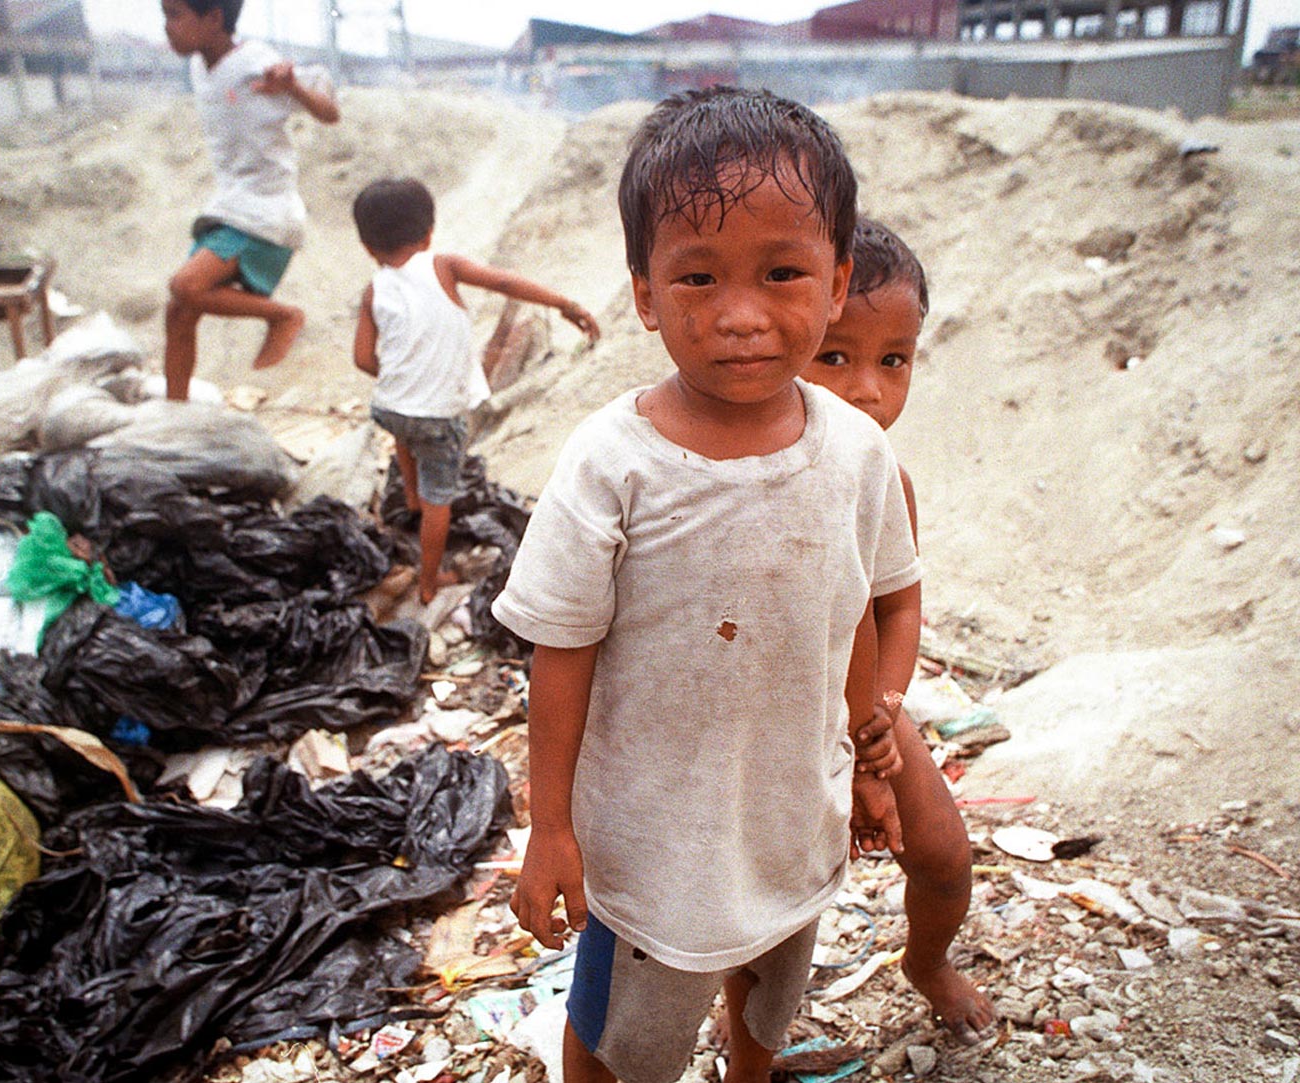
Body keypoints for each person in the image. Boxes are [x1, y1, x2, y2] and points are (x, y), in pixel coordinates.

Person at [491, 87, 923, 1083]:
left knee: (770, 989)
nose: (741, 317)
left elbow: (854, 609)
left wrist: (866, 762)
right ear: (644, 293)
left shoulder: (857, 454)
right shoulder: (611, 463)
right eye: (697, 277)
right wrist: (549, 827)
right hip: (653, 849)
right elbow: (562, 652)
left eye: (782, 273)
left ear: (835, 278)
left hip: (789, 817)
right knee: (619, 1041)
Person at [801, 217, 997, 1045]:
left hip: (865, 710)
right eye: (836, 356)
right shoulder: (733, 471)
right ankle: (747, 1039)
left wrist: (881, 711)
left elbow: (898, 607)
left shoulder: (886, 480)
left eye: (895, 360)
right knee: (767, 907)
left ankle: (926, 960)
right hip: (759, 718)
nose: (869, 390)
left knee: (946, 856)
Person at [351, 177, 600, 604]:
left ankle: (410, 494)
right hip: (437, 415)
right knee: (439, 502)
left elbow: (361, 359)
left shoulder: (375, 288)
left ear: (367, 246)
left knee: (404, 431)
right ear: (429, 232)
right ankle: (430, 582)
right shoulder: (443, 266)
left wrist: (399, 373)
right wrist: (565, 304)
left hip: (389, 407)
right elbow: (504, 284)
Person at [160, 0, 340, 401]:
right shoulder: (197, 66)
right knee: (178, 311)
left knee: (185, 286)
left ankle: (284, 315)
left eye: (175, 15)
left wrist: (292, 86)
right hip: (230, 207)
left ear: (214, 19)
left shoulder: (254, 61)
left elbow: (329, 112)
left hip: (266, 210)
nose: (167, 27)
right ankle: (174, 414)